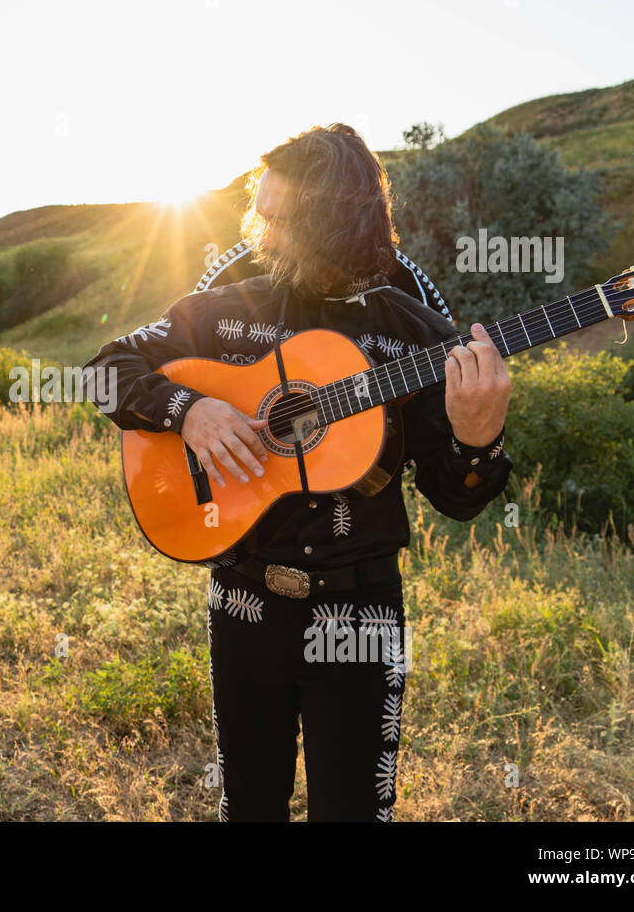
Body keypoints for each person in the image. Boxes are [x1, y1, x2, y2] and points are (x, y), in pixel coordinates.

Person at [86, 123, 513, 821]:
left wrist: (478, 439)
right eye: (263, 214)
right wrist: (188, 410)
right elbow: (103, 373)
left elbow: (454, 496)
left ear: (334, 223)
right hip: (244, 599)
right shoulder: (226, 313)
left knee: (354, 810)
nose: (263, 234)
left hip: (361, 608)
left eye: (282, 220)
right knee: (249, 805)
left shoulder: (417, 334)